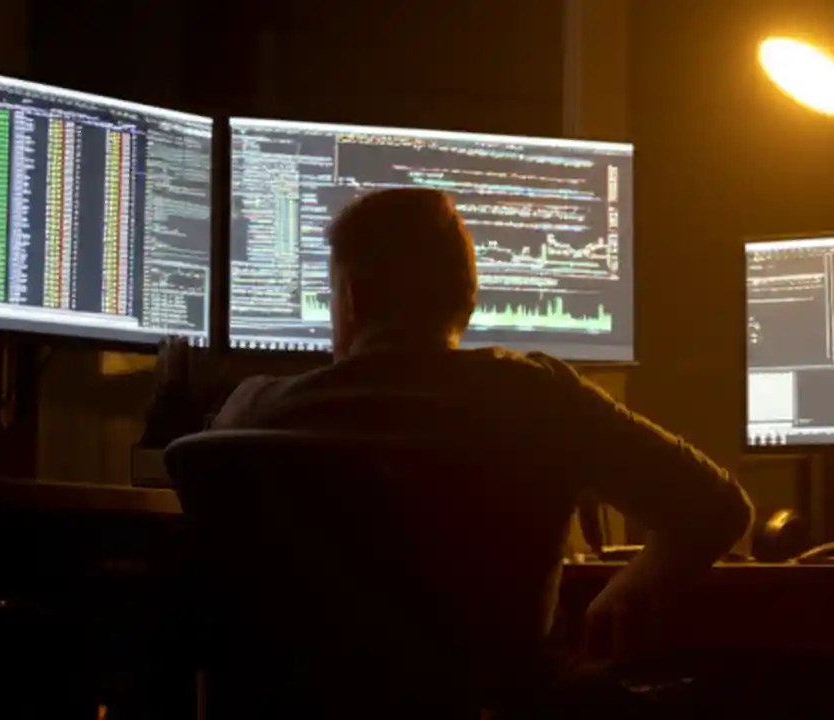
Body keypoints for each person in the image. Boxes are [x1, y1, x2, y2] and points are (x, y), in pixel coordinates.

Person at [153, 187, 752, 705]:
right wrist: (625, 591)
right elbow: (719, 508)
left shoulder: (252, 408)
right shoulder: (538, 397)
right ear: (469, 297)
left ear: (353, 298)